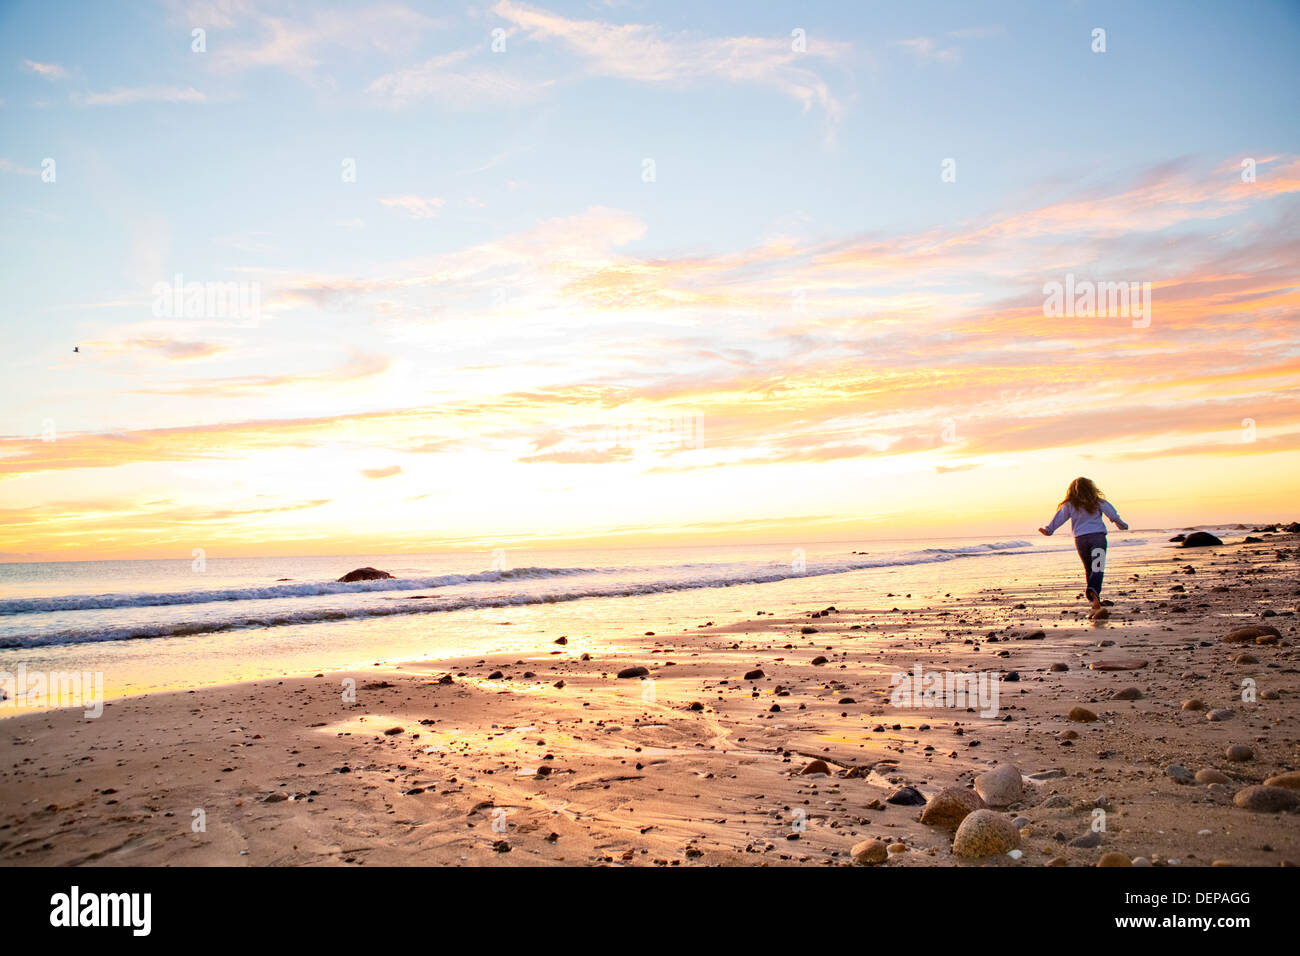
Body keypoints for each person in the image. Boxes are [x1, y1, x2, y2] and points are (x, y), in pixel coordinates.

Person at [1039, 477, 1129, 618]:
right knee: (1098, 567)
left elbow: (1059, 518)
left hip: (1081, 540)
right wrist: (1121, 524)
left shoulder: (1069, 505)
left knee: (1089, 568)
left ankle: (1094, 599)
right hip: (1098, 538)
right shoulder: (1098, 501)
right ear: (1091, 488)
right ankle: (1093, 591)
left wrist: (1049, 530)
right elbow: (1113, 514)